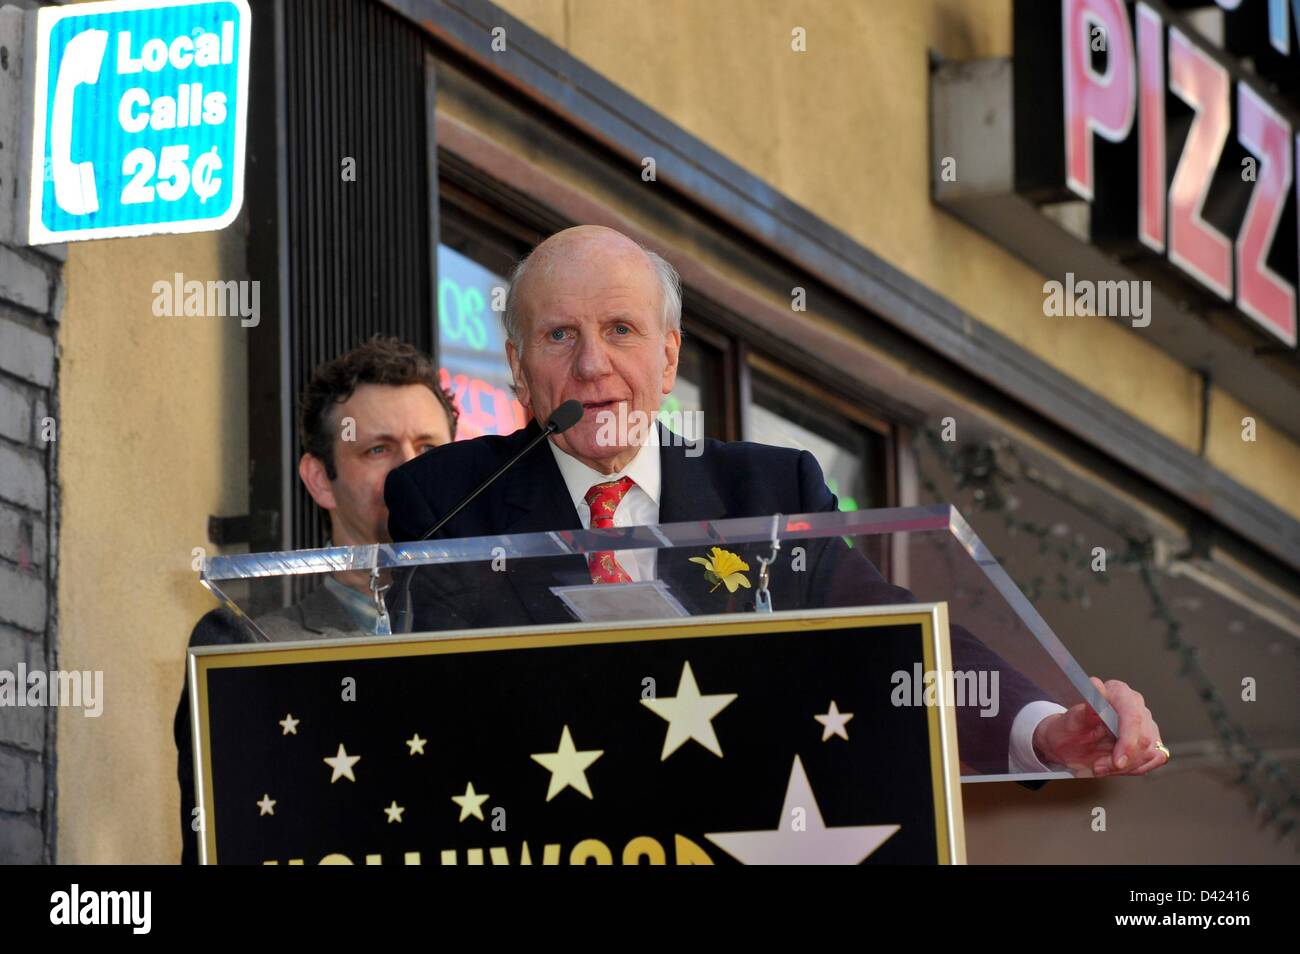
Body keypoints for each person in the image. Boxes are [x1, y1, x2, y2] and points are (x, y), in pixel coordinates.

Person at [385, 225, 1170, 783]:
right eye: (559, 336)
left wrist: (1042, 730)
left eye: (621, 330)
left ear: (667, 357)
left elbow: (886, 639)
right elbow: (447, 690)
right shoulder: (450, 497)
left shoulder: (770, 490)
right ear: (518, 371)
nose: (593, 365)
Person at [173, 336, 458, 864]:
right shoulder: (249, 643)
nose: (410, 471)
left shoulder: (503, 633)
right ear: (319, 481)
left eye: (430, 450)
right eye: (379, 449)